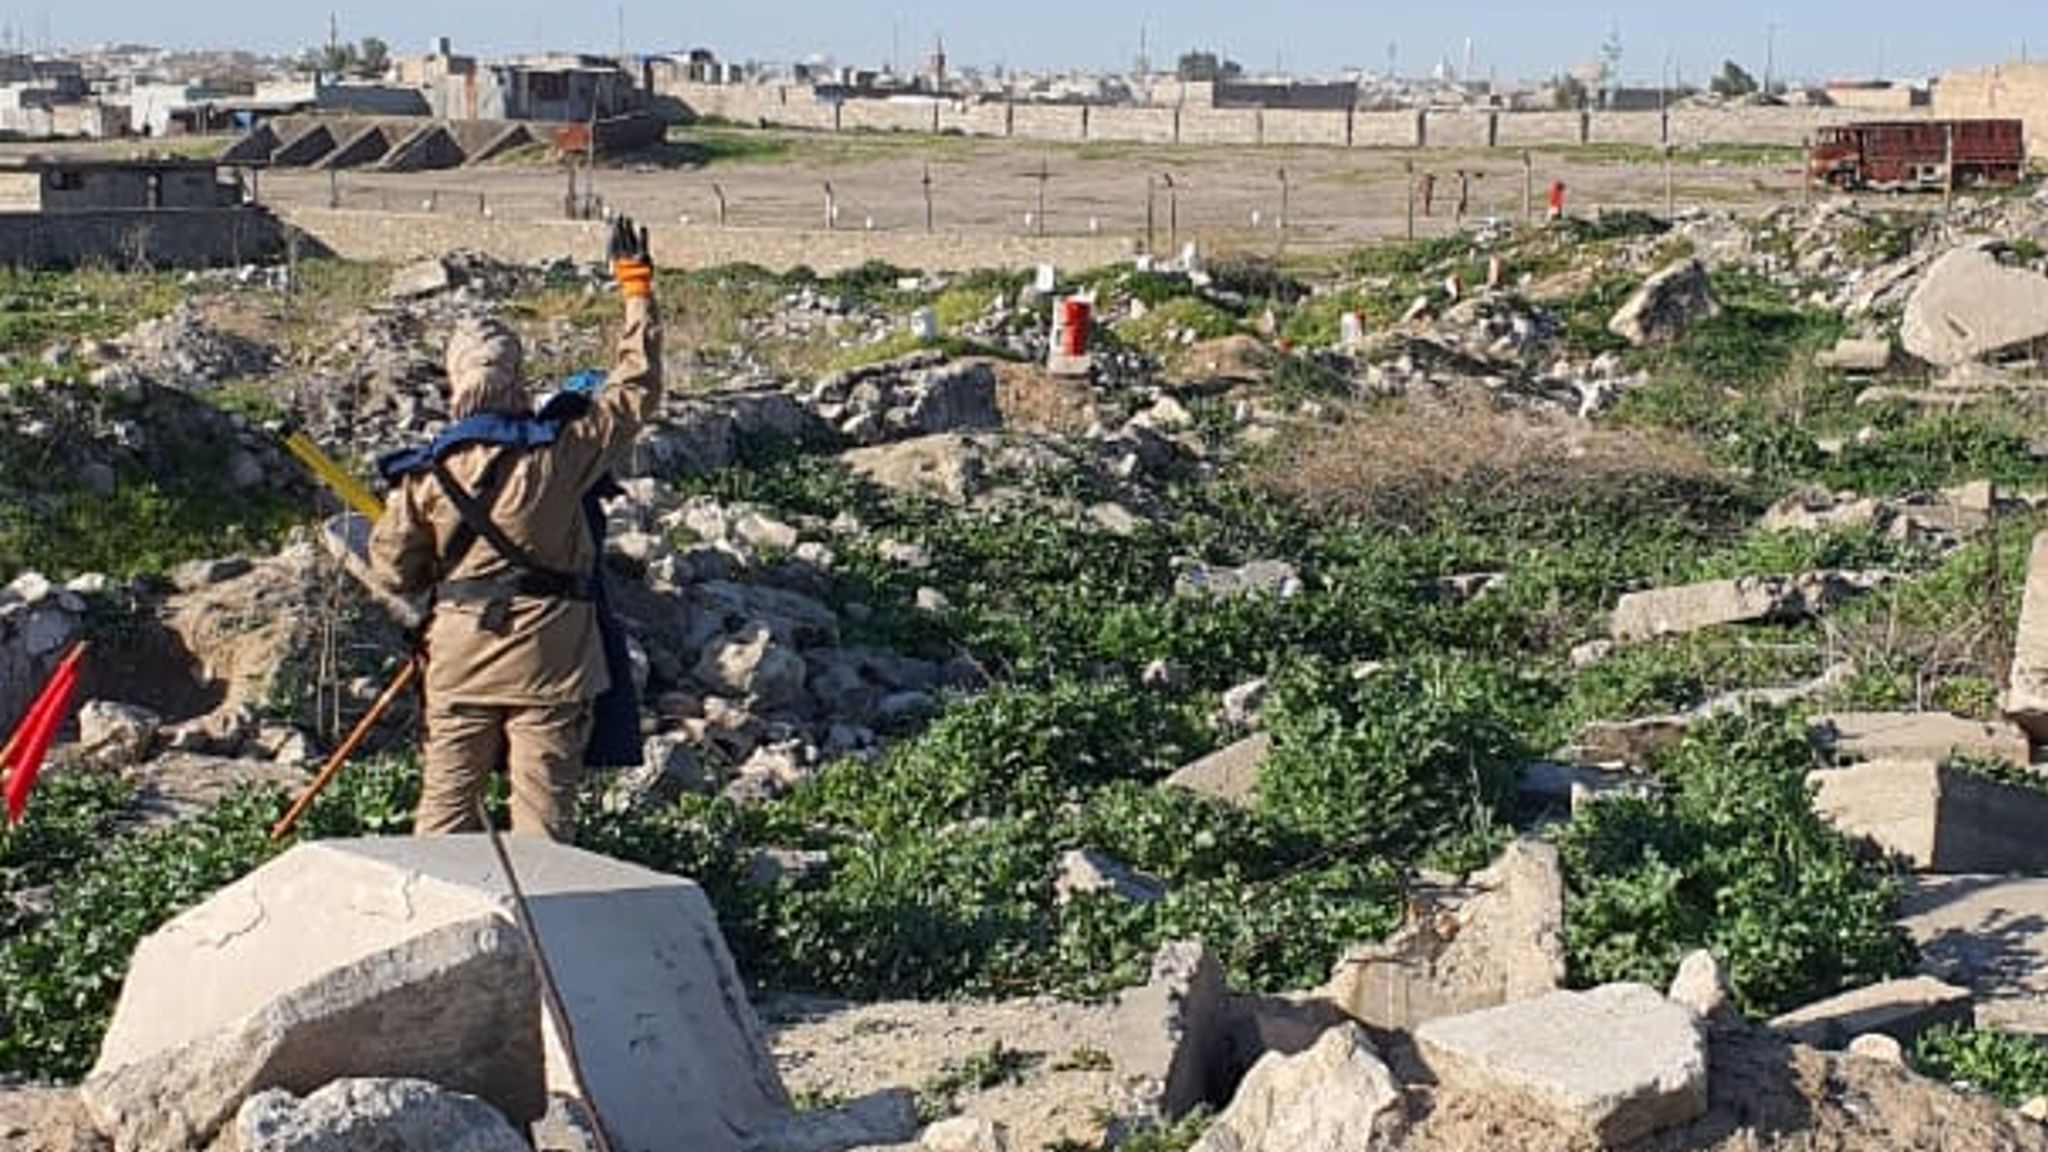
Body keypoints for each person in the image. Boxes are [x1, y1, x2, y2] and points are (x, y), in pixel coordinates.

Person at [368, 216, 661, 839]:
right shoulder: (562, 452)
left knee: (444, 818)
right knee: (544, 826)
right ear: (518, 379)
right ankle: (543, 933)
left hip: (459, 657)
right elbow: (636, 389)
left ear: (454, 382)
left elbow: (395, 571)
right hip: (549, 661)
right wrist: (635, 288)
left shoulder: (426, 475)